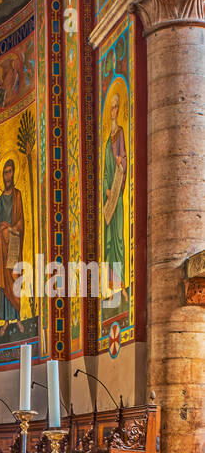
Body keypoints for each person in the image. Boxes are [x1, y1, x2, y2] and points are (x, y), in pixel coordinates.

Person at [0, 159, 25, 336]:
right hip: (3, 245)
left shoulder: (17, 196)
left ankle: (17, 318)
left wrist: (12, 228)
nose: (7, 175)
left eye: (9, 172)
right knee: (5, 283)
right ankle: (6, 321)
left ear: (14, 173)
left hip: (15, 243)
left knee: (15, 279)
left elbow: (21, 222)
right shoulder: (0, 200)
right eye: (5, 173)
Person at [103, 92, 127, 306]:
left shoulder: (120, 134)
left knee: (119, 241)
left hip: (118, 199)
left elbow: (125, 159)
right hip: (109, 200)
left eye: (116, 107)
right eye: (111, 108)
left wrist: (122, 162)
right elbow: (103, 173)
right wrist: (105, 190)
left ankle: (121, 286)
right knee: (108, 245)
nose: (113, 111)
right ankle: (111, 288)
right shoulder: (105, 145)